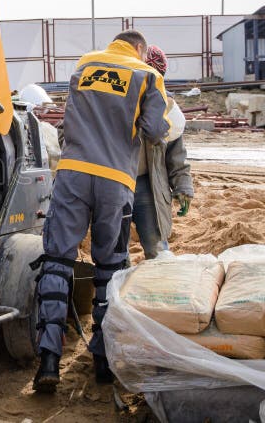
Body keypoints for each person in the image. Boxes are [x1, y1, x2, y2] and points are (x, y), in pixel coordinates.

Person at [32, 30, 170, 392]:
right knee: (109, 268)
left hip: (73, 174)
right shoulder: (147, 75)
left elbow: (71, 121)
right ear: (140, 49)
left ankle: (48, 360)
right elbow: (157, 130)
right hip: (114, 181)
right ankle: (103, 360)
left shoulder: (85, 64)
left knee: (57, 260)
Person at [133, 45, 194, 259]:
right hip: (115, 183)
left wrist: (183, 185)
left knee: (156, 246)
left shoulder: (166, 107)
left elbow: (176, 154)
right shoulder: (114, 100)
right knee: (114, 248)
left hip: (147, 185)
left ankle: (161, 285)